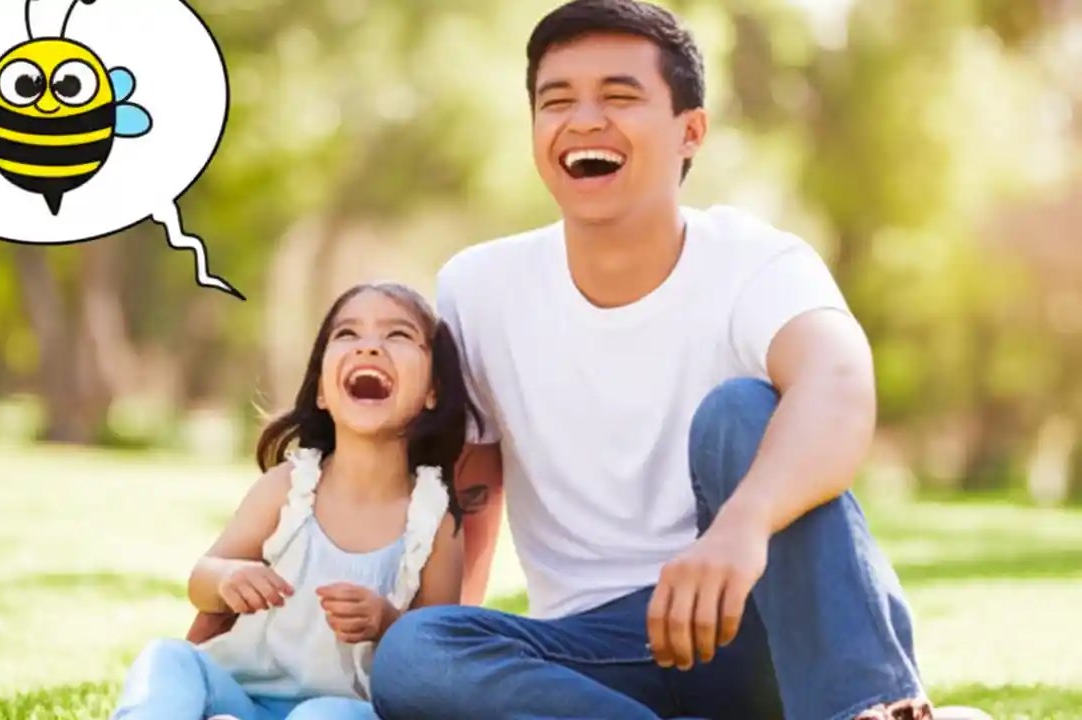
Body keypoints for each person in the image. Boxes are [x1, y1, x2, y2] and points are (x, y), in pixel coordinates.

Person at [368, 2, 990, 720]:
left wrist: (739, 530)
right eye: (556, 101)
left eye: (620, 96)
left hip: (758, 621)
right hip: (596, 654)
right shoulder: (477, 287)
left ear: (690, 129)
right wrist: (447, 649)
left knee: (740, 412)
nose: (584, 120)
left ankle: (867, 708)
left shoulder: (759, 263)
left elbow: (839, 384)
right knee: (418, 652)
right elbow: (475, 491)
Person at [109, 282, 478, 720]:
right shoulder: (289, 487)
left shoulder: (433, 520)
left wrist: (387, 622)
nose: (369, 349)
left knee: (323, 716)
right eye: (347, 335)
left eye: (397, 336)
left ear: (433, 391)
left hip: (350, 711)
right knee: (166, 659)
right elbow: (201, 580)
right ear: (322, 389)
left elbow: (438, 657)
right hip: (240, 697)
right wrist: (228, 579)